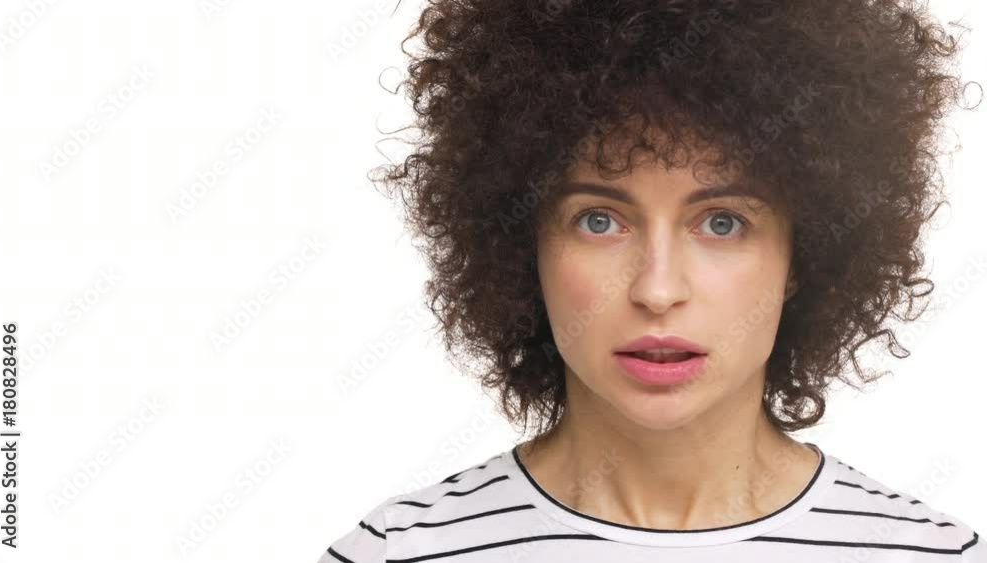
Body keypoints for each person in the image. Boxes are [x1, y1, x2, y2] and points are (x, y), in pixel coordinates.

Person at [320, 0, 984, 561]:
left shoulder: (930, 552)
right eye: (600, 220)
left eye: (722, 222)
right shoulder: (396, 550)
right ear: (524, 245)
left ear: (803, 256)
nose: (657, 289)